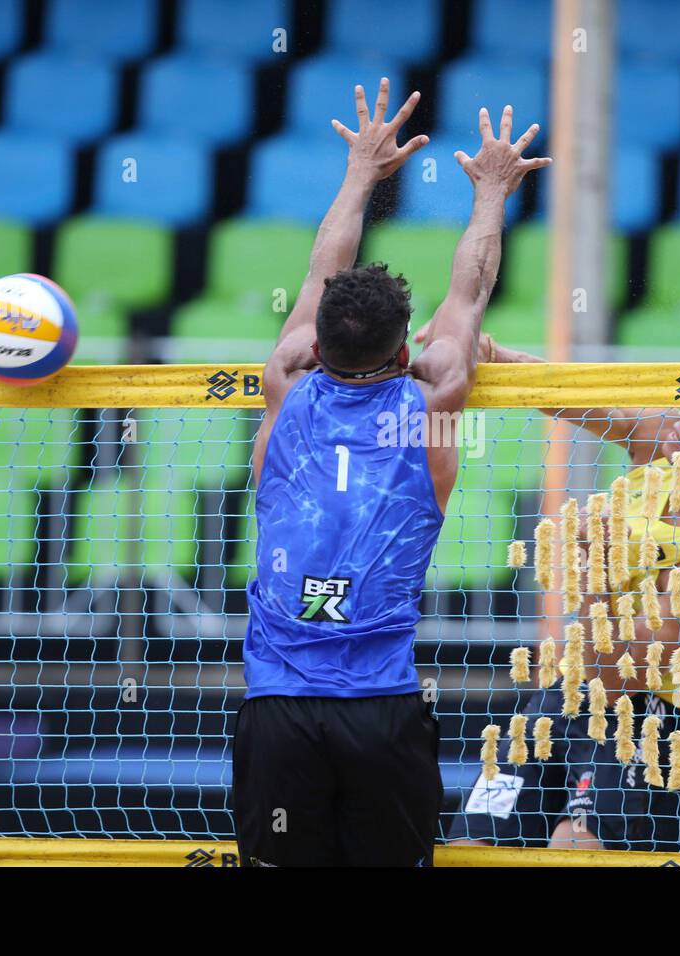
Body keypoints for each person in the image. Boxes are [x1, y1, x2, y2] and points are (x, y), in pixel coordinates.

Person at [232, 78, 551, 866]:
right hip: (380, 708)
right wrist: (491, 193)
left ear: (314, 344)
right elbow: (470, 288)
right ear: (405, 350)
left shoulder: (285, 382)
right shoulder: (436, 395)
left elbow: (320, 269)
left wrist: (361, 171)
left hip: (280, 708)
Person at [443, 344, 680, 851]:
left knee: (574, 845)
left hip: (632, 717)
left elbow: (616, 675)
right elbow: (565, 392)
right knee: (471, 849)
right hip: (562, 692)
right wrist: (488, 350)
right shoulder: (661, 441)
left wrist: (596, 570)